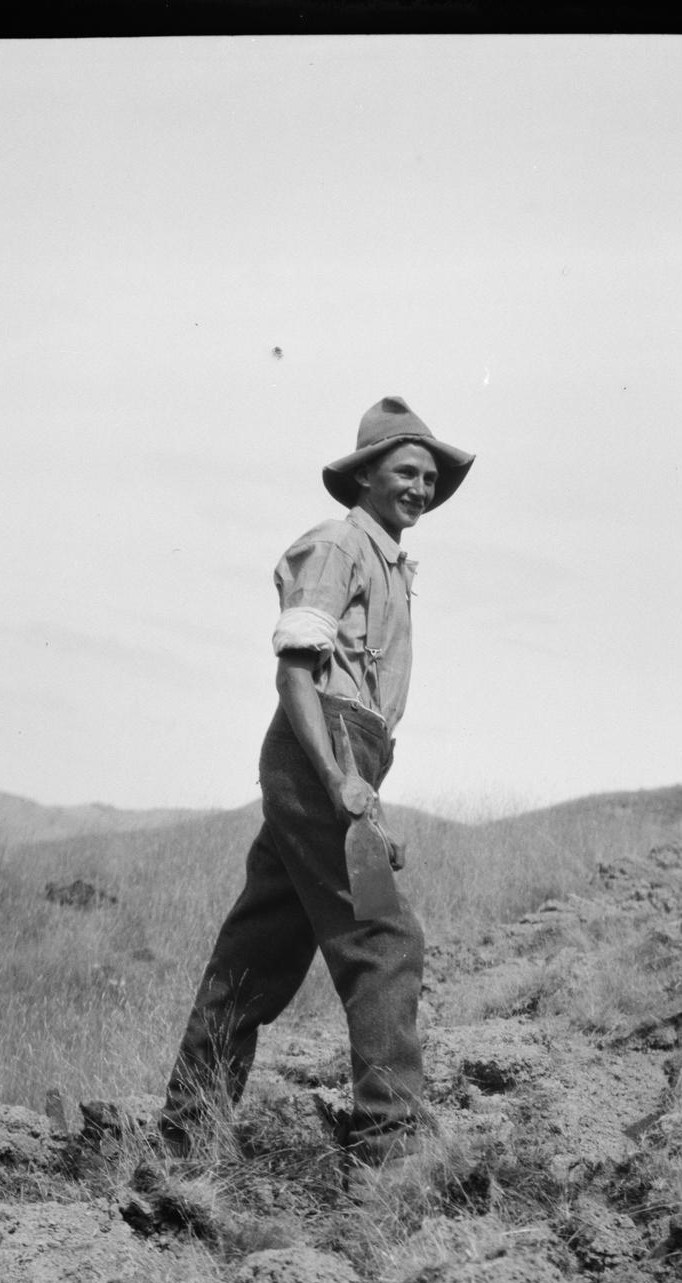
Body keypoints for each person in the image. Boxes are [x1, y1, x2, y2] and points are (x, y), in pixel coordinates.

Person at [159, 395, 475, 1186]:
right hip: (319, 753)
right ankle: (388, 1146)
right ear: (364, 477)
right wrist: (336, 777)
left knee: (254, 958)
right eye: (405, 471)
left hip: (343, 758)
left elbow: (356, 699)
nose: (420, 487)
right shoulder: (338, 545)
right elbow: (295, 672)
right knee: (384, 940)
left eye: (429, 477)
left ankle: (180, 1144)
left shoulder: (391, 564)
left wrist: (357, 782)